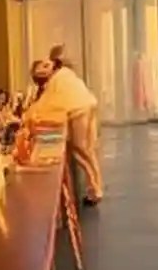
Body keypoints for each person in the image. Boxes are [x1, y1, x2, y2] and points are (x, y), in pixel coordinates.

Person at [25, 55, 104, 206]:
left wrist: (27, 116)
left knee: (81, 149)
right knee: (84, 150)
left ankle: (95, 188)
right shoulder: (63, 75)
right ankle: (94, 186)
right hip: (86, 106)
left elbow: (45, 103)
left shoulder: (58, 78)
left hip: (79, 110)